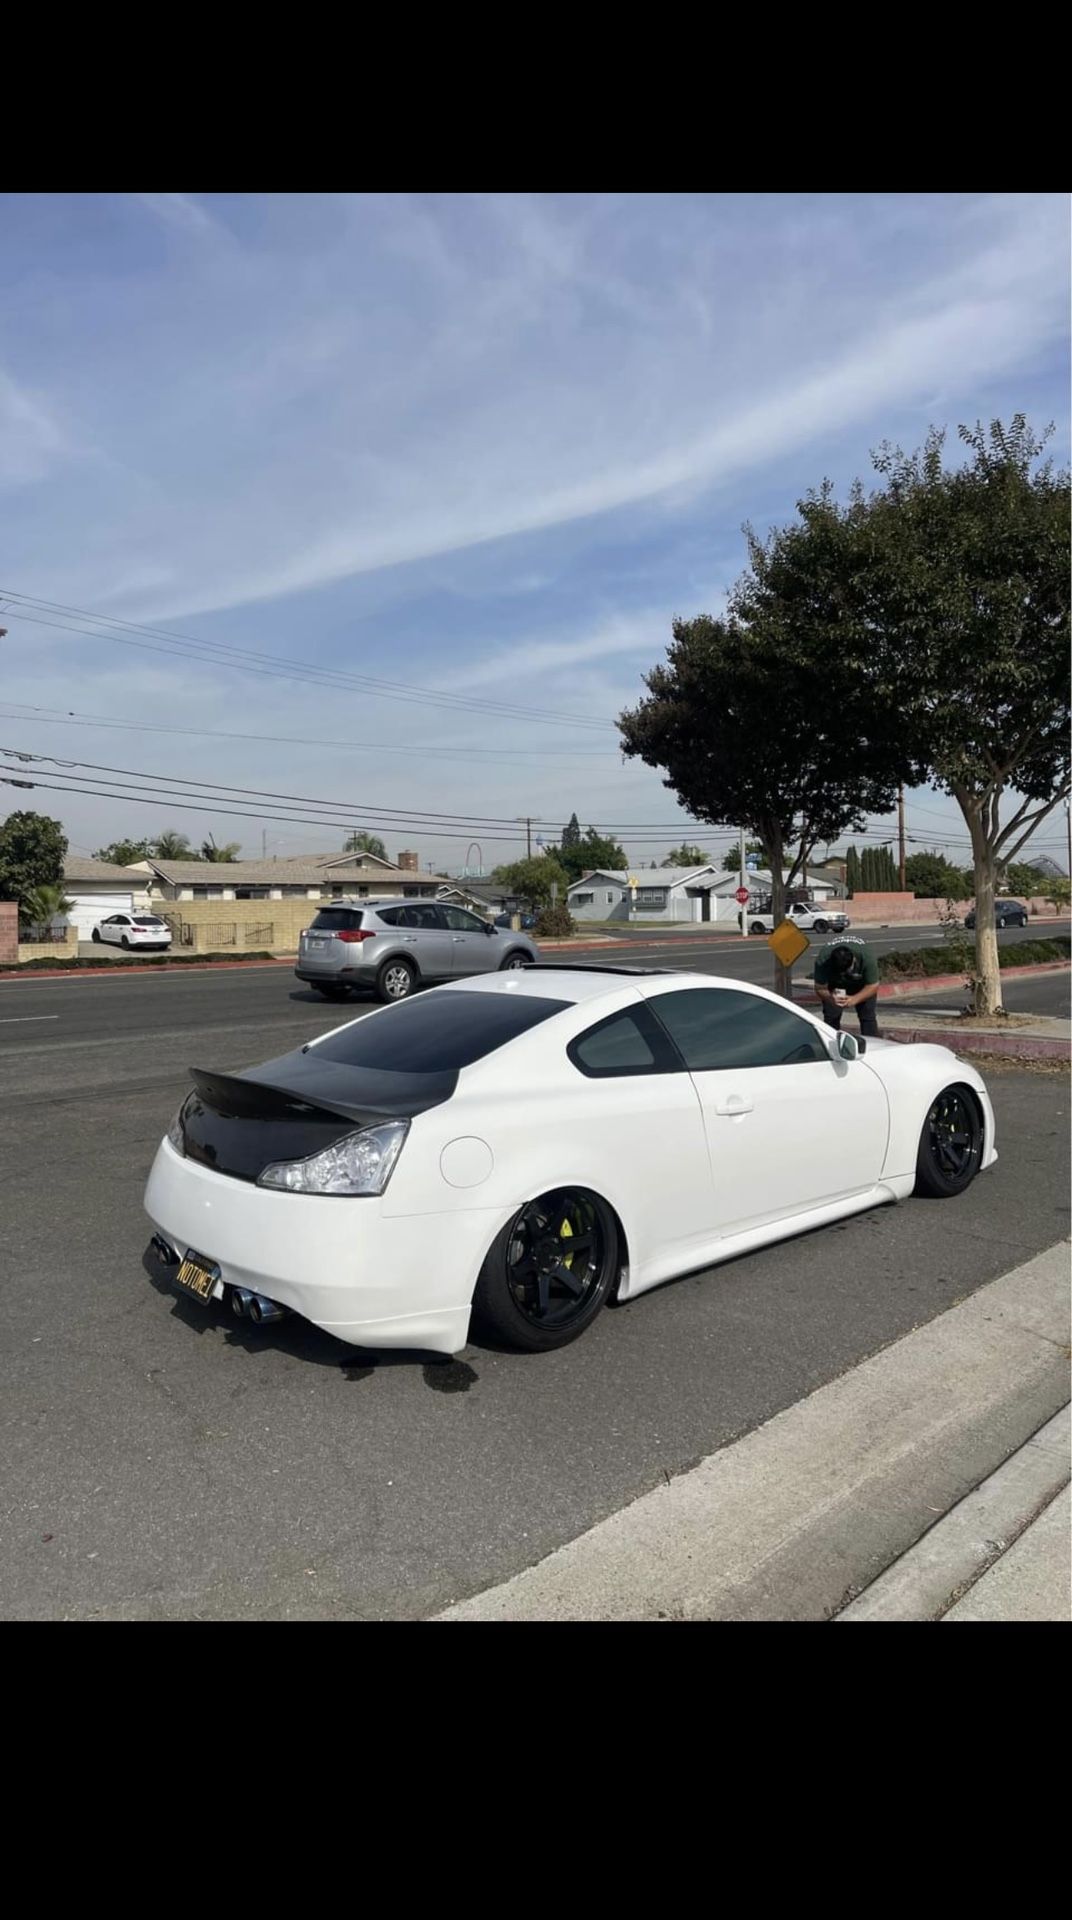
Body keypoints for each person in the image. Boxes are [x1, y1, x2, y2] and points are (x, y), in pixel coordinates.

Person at [813, 936, 881, 1038]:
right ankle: (831, 1043)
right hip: (835, 986)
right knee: (831, 1016)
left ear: (854, 960)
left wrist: (854, 999)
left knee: (867, 1016)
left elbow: (873, 985)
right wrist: (831, 998)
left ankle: (872, 1045)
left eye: (847, 970)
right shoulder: (822, 960)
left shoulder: (866, 957)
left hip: (861, 984)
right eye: (840, 971)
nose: (844, 973)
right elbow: (820, 988)